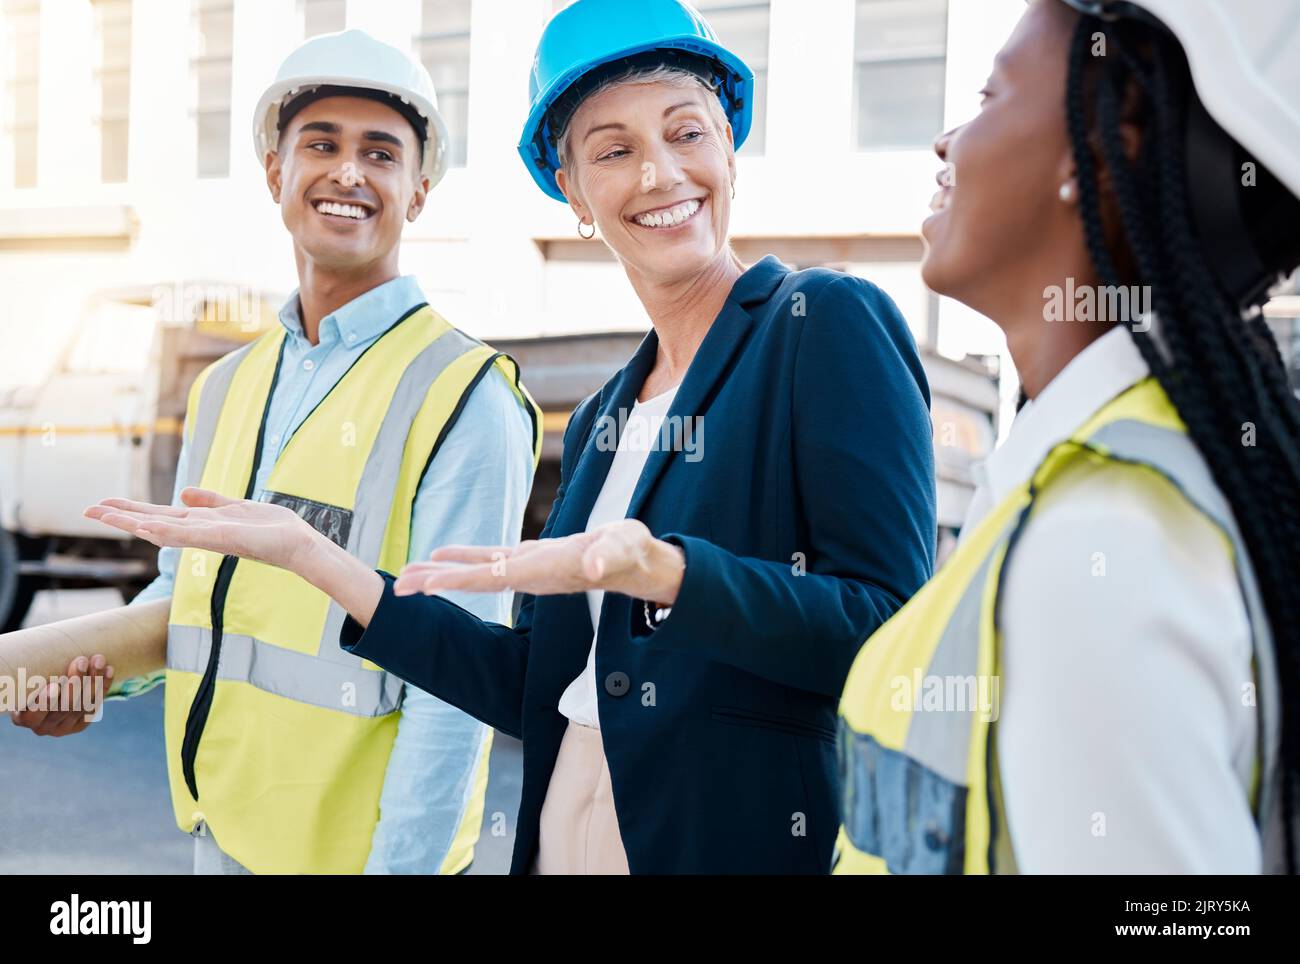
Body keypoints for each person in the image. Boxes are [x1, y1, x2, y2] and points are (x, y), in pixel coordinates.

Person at [89, 0, 936, 874]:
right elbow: (532, 687)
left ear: (730, 149)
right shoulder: (610, 411)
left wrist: (669, 573)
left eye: (687, 133)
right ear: (571, 192)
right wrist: (316, 559)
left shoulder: (820, 323)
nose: (657, 173)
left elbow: (894, 632)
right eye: (613, 151)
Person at [22, 29, 541, 876]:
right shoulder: (225, 386)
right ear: (275, 173)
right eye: (321, 144)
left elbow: (456, 682)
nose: (348, 172)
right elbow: (189, 597)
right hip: (217, 839)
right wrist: (94, 682)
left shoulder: (465, 395)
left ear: (418, 193)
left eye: (381, 152)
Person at [834, 0, 1300, 873]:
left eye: (988, 95)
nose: (948, 142)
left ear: (1099, 152)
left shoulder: (1104, 541)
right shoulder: (1089, 474)